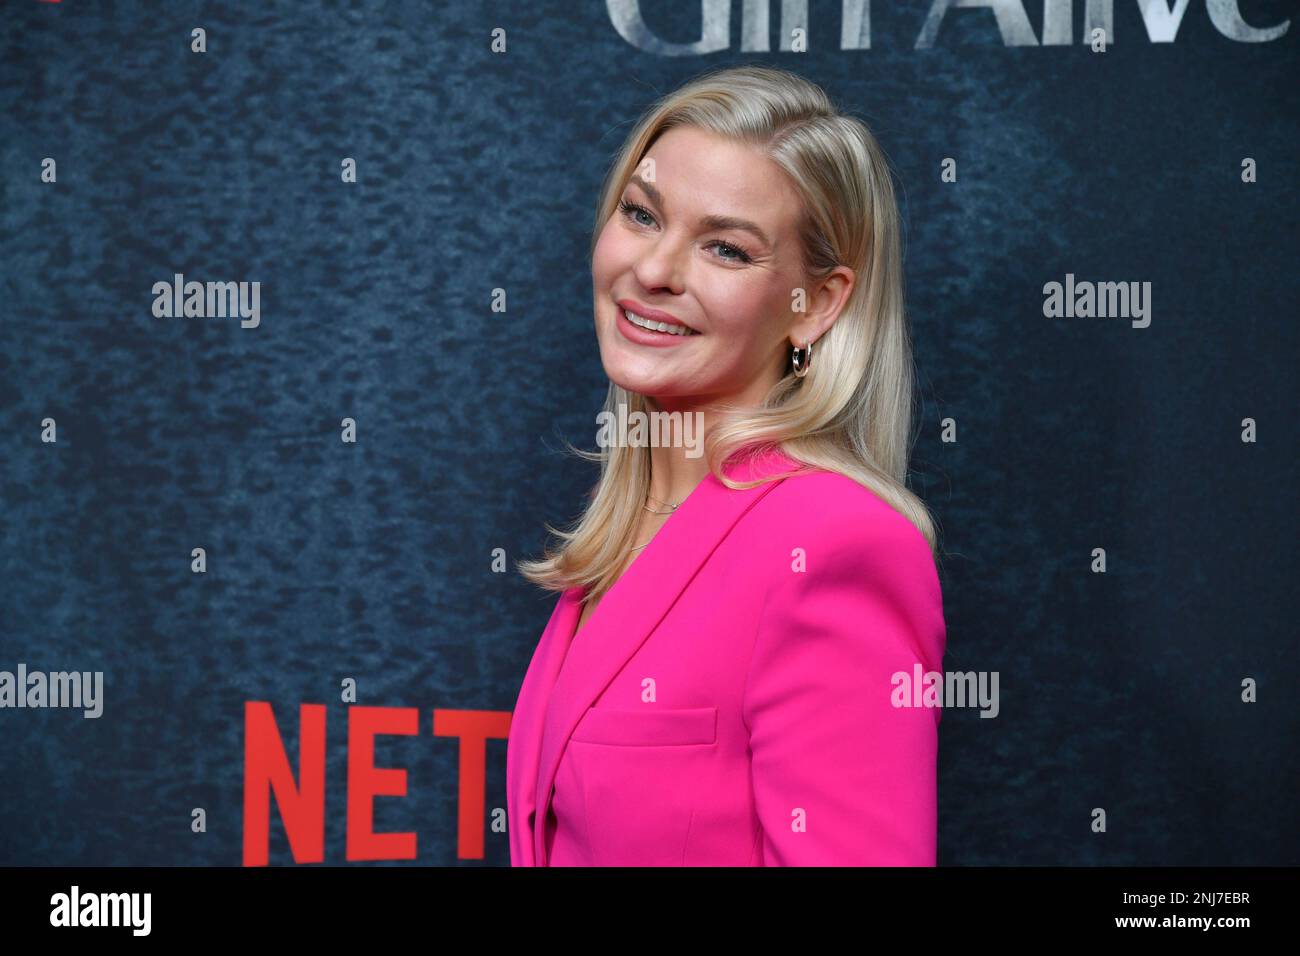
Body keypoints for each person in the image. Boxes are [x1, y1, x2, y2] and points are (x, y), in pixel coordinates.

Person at [507, 65, 946, 866]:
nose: (655, 270)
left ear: (817, 303)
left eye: (725, 248)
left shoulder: (836, 545)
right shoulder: (621, 539)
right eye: (642, 215)